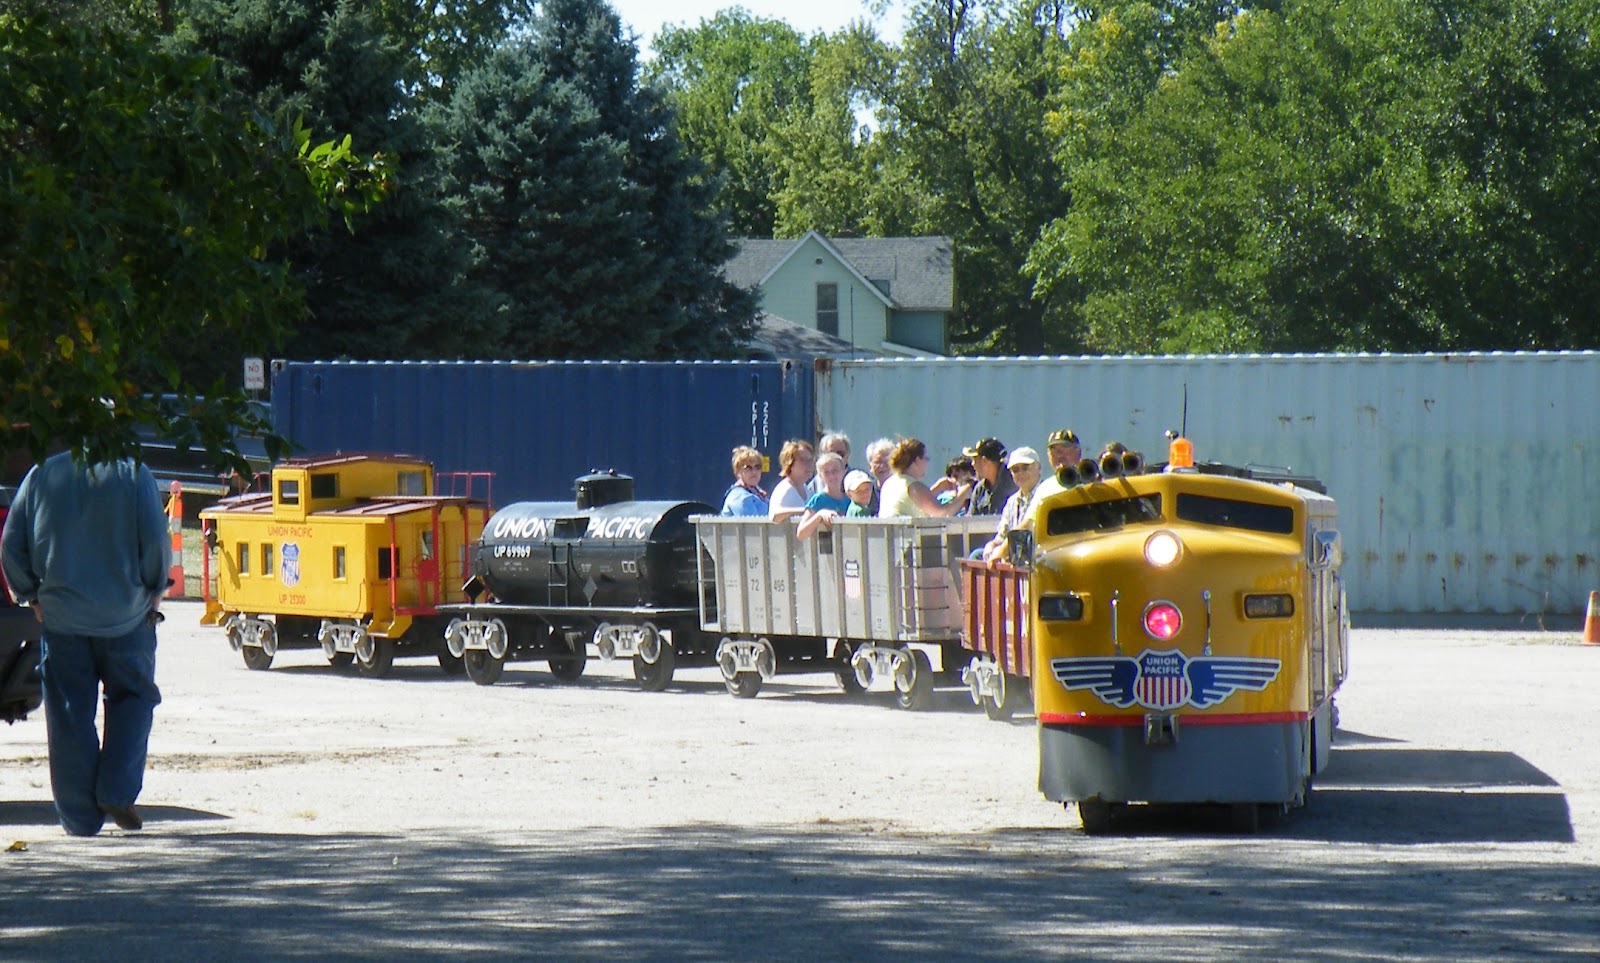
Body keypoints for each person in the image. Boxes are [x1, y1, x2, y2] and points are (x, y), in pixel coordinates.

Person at [1, 450, 170, 836]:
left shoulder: (42, 473)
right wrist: (156, 587)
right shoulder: (134, 474)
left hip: (62, 618)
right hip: (127, 616)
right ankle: (117, 789)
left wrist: (30, 594)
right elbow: (156, 539)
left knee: (68, 711)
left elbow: (11, 543)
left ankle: (79, 819)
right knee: (134, 697)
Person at [980, 446, 1044, 565]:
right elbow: (1002, 536)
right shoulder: (1012, 501)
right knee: (978, 555)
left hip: (1038, 558)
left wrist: (1003, 552)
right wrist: (991, 545)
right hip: (1013, 557)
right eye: (1015, 470)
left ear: (1039, 468)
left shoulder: (1046, 494)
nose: (1020, 473)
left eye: (1025, 468)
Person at [877, 438, 972, 518]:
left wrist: (937, 489)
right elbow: (942, 513)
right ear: (917, 460)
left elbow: (913, 502)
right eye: (926, 458)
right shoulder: (914, 486)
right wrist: (962, 495)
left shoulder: (891, 482)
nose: (927, 463)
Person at [796, 452, 853, 540]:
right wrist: (819, 514)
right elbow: (801, 534)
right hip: (826, 550)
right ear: (820, 476)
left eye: (835, 471)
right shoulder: (818, 500)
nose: (832, 476)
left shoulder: (849, 498)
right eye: (826, 472)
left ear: (843, 471)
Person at [963, 437, 1016, 517]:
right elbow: (971, 519)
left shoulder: (1014, 482)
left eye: (975, 459)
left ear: (984, 461)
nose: (972, 464)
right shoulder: (980, 489)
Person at [768, 439, 816, 522]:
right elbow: (774, 516)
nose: (809, 464)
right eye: (803, 460)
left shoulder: (805, 488)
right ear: (790, 463)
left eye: (810, 460)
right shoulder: (785, 489)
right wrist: (805, 511)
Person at [1034, 428, 1084, 501]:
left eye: (1065, 449)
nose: (1059, 455)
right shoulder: (1044, 489)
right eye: (1054, 451)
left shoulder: (1091, 482)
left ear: (1078, 452)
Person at [719, 446, 769, 517]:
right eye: (748, 468)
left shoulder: (757, 492)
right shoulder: (739, 496)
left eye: (757, 467)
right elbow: (754, 526)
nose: (754, 472)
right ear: (738, 471)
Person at [807, 431, 852, 497]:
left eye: (840, 454)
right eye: (831, 454)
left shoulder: (857, 479)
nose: (835, 458)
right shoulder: (815, 484)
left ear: (847, 456)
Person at [863, 437, 894, 517]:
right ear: (870, 466)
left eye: (887, 461)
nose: (882, 466)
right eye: (877, 462)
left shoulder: (902, 489)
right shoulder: (864, 489)